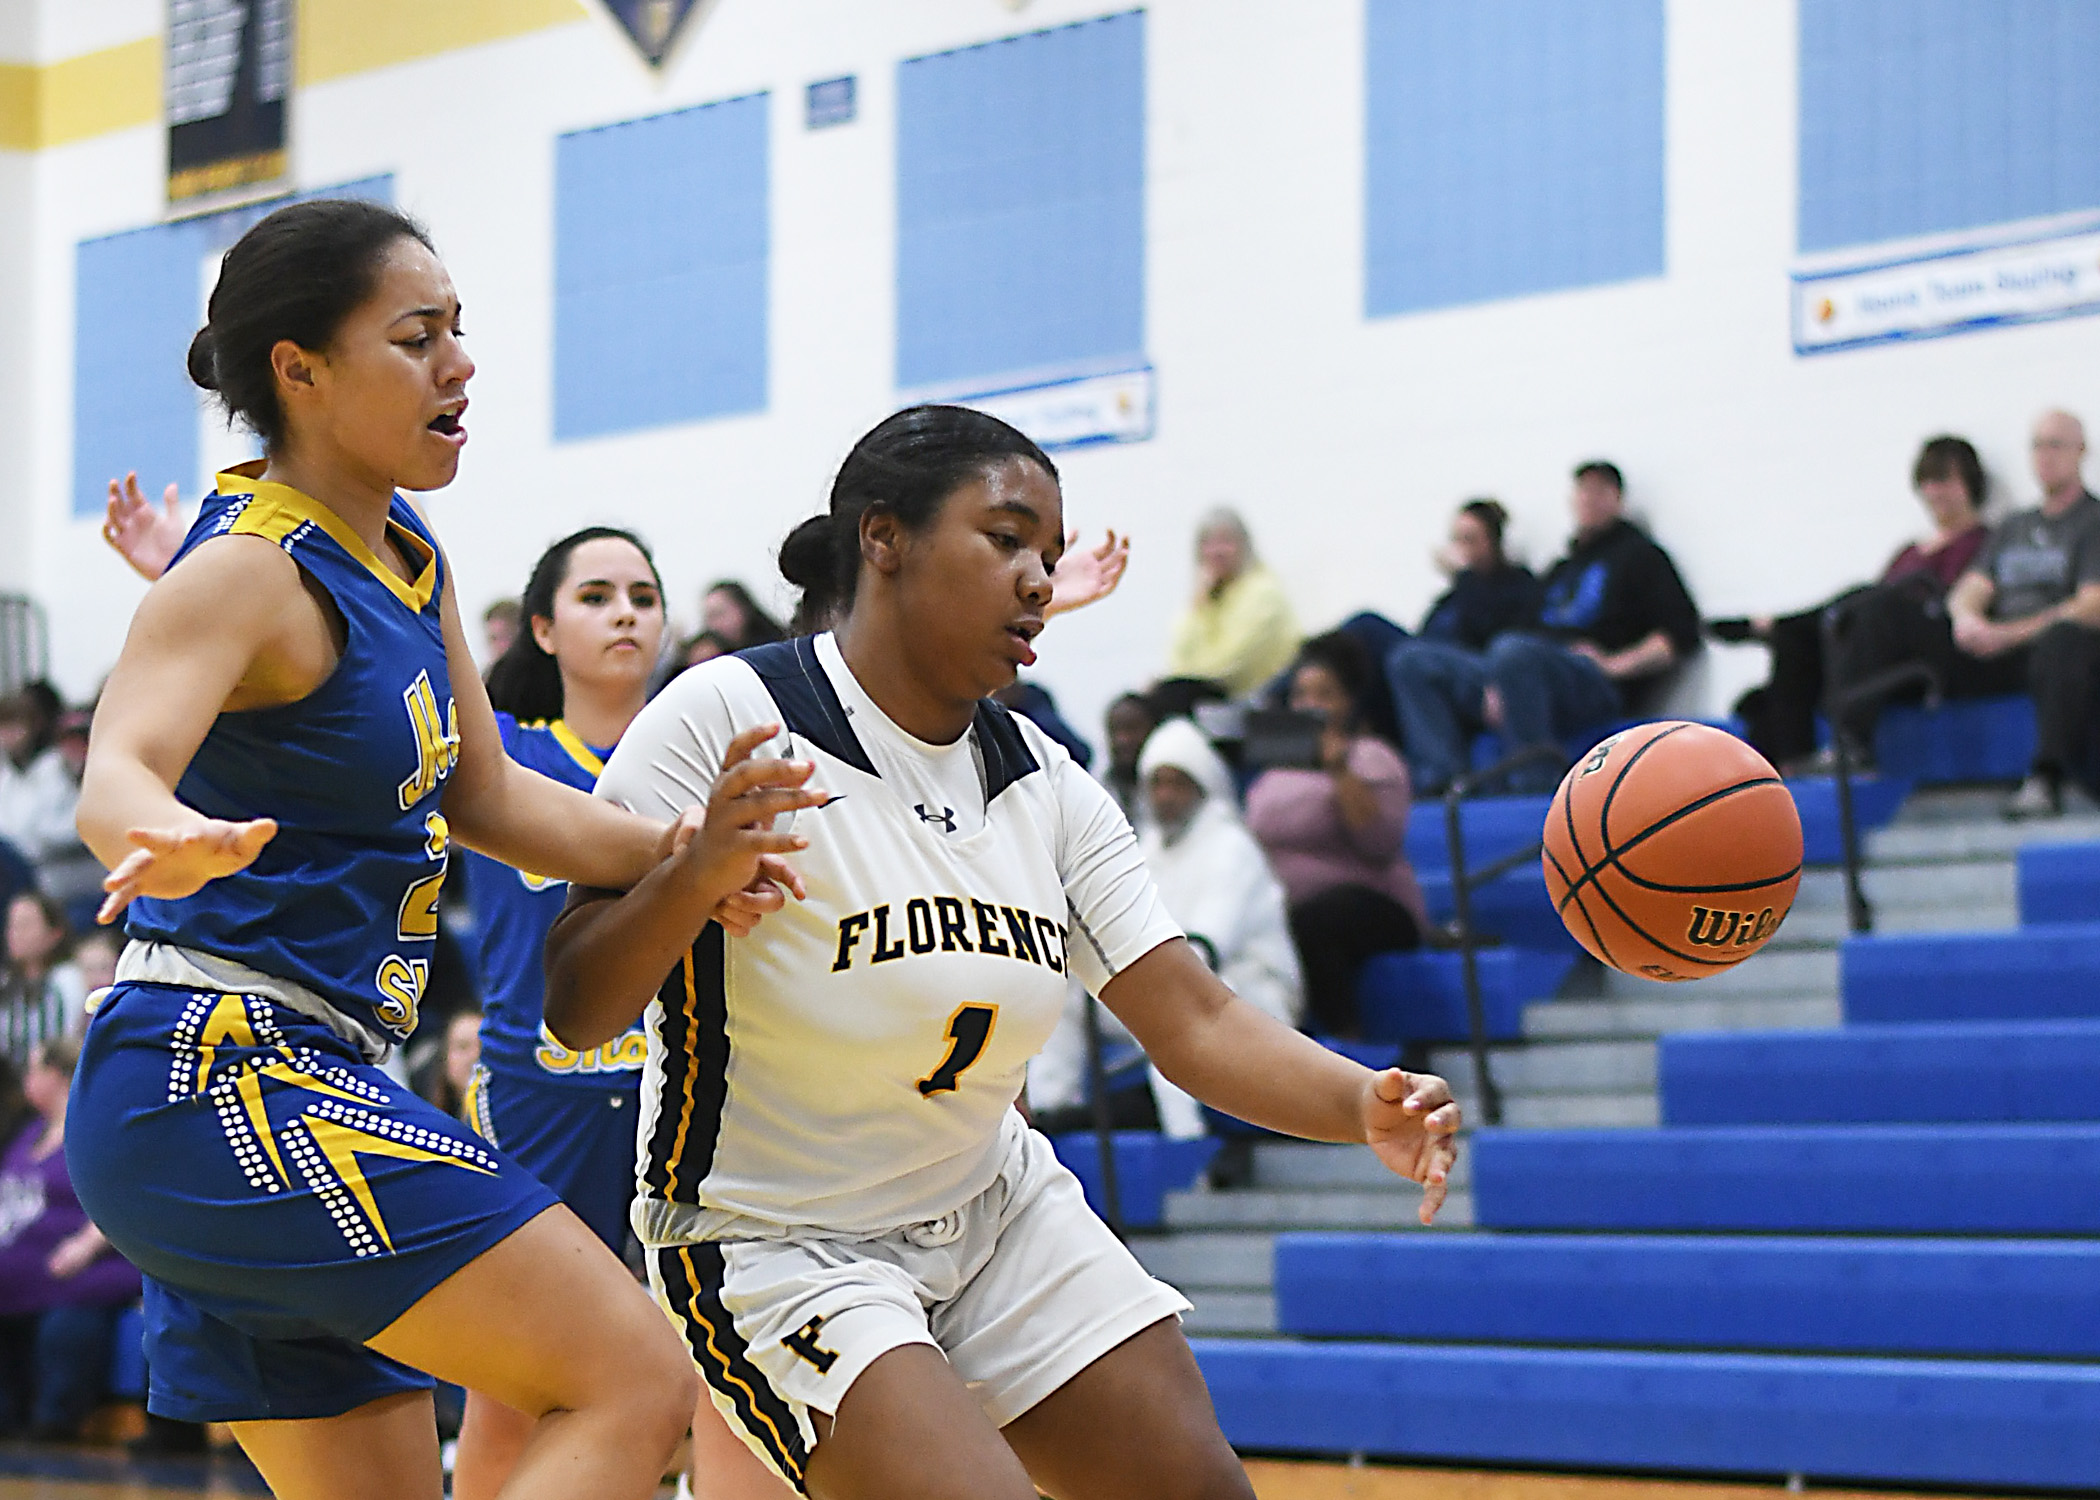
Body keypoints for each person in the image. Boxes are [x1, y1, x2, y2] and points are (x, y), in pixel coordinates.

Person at [538, 404, 1461, 1500]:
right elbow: (576, 1004)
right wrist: (690, 878)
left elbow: (1195, 1019)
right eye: (1006, 538)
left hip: (990, 1206)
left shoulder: (1047, 781)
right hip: (776, 1240)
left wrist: (1361, 1103)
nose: (1037, 579)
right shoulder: (728, 716)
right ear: (884, 536)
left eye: (1050, 557)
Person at [66, 198, 709, 1500]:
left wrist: (689, 853)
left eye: (458, 333)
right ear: (298, 370)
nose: (459, 365)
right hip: (218, 1077)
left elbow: (499, 799)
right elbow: (114, 774)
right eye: (419, 338)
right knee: (640, 1382)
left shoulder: (408, 554)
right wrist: (168, 836)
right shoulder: (245, 570)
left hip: (306, 1073)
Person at [1844, 409, 2100, 818]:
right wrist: (1968, 620)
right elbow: (1971, 589)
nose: (2044, 456)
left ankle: (2045, 778)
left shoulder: (2092, 520)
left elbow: (2091, 604)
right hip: (1994, 652)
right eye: (2037, 445)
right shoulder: (2014, 526)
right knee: (1885, 606)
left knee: (2064, 638)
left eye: (2056, 444)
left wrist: (2009, 634)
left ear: (2081, 452)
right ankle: (1852, 745)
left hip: (2048, 652)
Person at [1390, 461, 1700, 795]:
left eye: (1600, 491)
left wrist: (1614, 665)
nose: (1588, 499)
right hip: (1526, 667)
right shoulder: (1561, 568)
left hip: (1592, 681)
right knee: (1412, 660)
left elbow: (1681, 633)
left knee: (1513, 651)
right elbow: (1517, 634)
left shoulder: (1643, 557)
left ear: (1618, 500)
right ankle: (1443, 783)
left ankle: (1534, 784)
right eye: (1582, 491)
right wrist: (1499, 679)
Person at [1719, 436, 1991, 772]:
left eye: (1945, 480)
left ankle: (1850, 738)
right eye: (1928, 482)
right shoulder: (1910, 550)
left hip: (1927, 645)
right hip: (1878, 642)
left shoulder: (1982, 543)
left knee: (1864, 602)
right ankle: (1790, 759)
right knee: (1800, 639)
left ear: (1969, 483)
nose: (1935, 491)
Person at [1246, 634, 1427, 1036]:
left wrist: (1340, 770)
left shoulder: (1372, 759)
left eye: (1324, 695)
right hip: (1289, 905)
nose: (1310, 706)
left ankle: (1348, 1037)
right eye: (1301, 695)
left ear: (1348, 702)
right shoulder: (1276, 770)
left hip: (1376, 906)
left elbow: (1378, 842)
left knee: (1313, 922)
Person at [0, 1037, 144, 1440]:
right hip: (20, 1277)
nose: (26, 1079)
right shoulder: (28, 1133)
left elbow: (124, 1194)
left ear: (56, 1075)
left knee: (67, 1324)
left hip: (83, 1270)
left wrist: (85, 1245)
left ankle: (56, 1421)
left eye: (33, 1069)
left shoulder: (96, 1129)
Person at [1166, 507, 1300, 697]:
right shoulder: (1208, 599)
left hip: (1257, 700)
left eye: (1225, 542)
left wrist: (1186, 678)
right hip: (1211, 695)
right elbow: (1177, 657)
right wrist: (1198, 602)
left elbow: (1232, 665)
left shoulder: (1262, 592)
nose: (1217, 552)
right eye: (1208, 544)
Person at [0, 893, 85, 1072]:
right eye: (12, 925)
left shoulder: (68, 980)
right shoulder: (5, 982)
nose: (16, 934)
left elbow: (67, 1043)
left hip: (59, 1078)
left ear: (55, 933)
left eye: (25, 925)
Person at [1100, 691, 1161, 822]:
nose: (1122, 740)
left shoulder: (1167, 788)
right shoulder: (1098, 791)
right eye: (1115, 730)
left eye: (1132, 729)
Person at [701, 582, 788, 653]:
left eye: (718, 614)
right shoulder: (717, 655)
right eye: (708, 618)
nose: (713, 625)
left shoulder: (776, 648)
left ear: (742, 608)